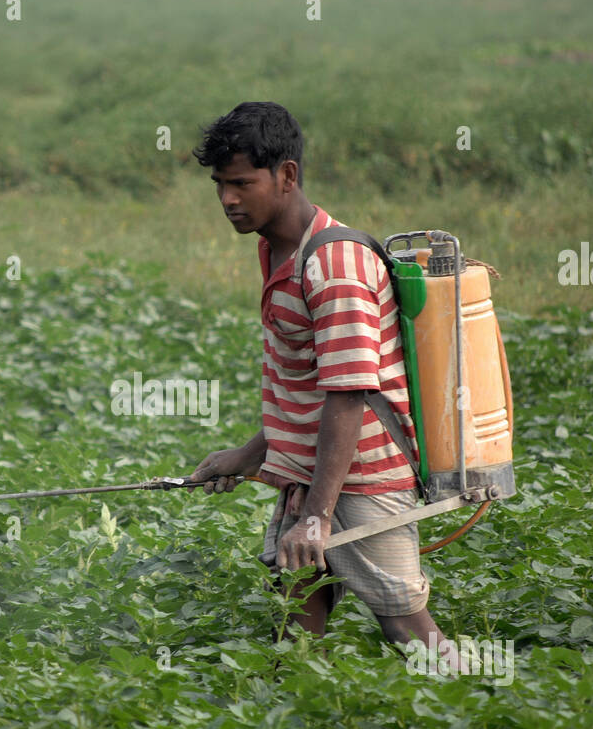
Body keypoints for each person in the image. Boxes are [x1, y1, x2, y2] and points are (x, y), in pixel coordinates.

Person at [189, 101, 462, 662]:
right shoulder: (276, 248)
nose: (227, 200)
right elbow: (312, 384)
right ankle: (280, 724)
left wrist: (316, 515)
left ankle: (482, 710)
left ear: (287, 175)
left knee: (407, 625)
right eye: (219, 185)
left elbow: (349, 391)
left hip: (359, 477)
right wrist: (249, 454)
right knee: (297, 606)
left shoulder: (332, 265)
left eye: (242, 183)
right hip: (313, 474)